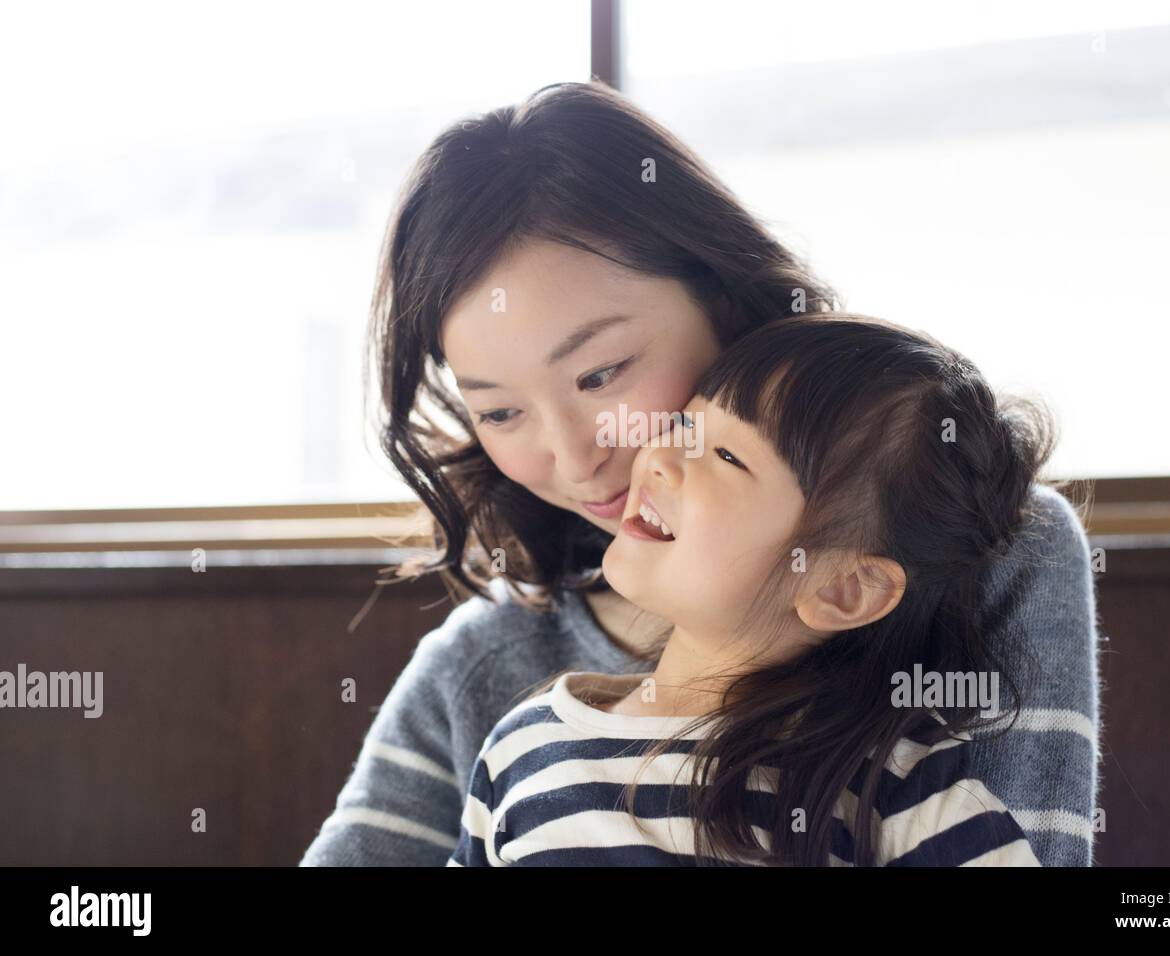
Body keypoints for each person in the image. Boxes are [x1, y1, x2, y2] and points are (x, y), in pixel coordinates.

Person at [300, 80, 1100, 867]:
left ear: (722, 301)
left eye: (601, 374)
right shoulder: (484, 673)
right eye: (501, 413)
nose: (577, 457)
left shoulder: (991, 559)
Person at [446, 314, 1048, 866]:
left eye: (727, 456)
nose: (658, 458)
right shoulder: (524, 748)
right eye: (684, 424)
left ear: (844, 588)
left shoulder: (891, 792)